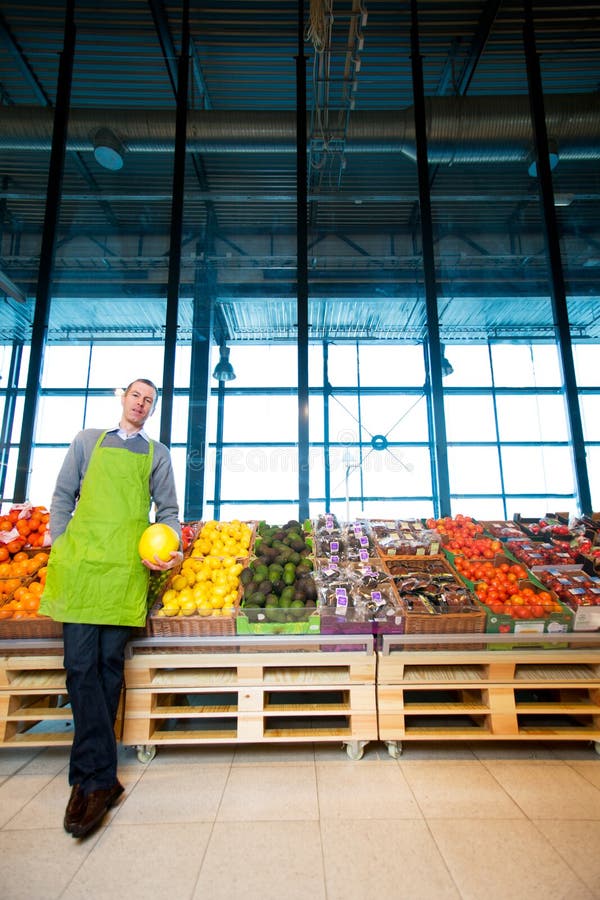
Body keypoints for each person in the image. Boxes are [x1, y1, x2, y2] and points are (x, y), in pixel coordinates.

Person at [39, 378, 183, 839]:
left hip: (123, 570)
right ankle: (99, 779)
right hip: (81, 569)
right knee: (79, 668)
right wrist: (62, 543)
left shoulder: (157, 454)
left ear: (152, 410)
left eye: (149, 400)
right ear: (123, 398)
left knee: (106, 670)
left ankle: (89, 780)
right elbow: (62, 496)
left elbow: (168, 513)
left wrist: (172, 549)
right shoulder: (86, 441)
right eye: (136, 396)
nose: (141, 404)